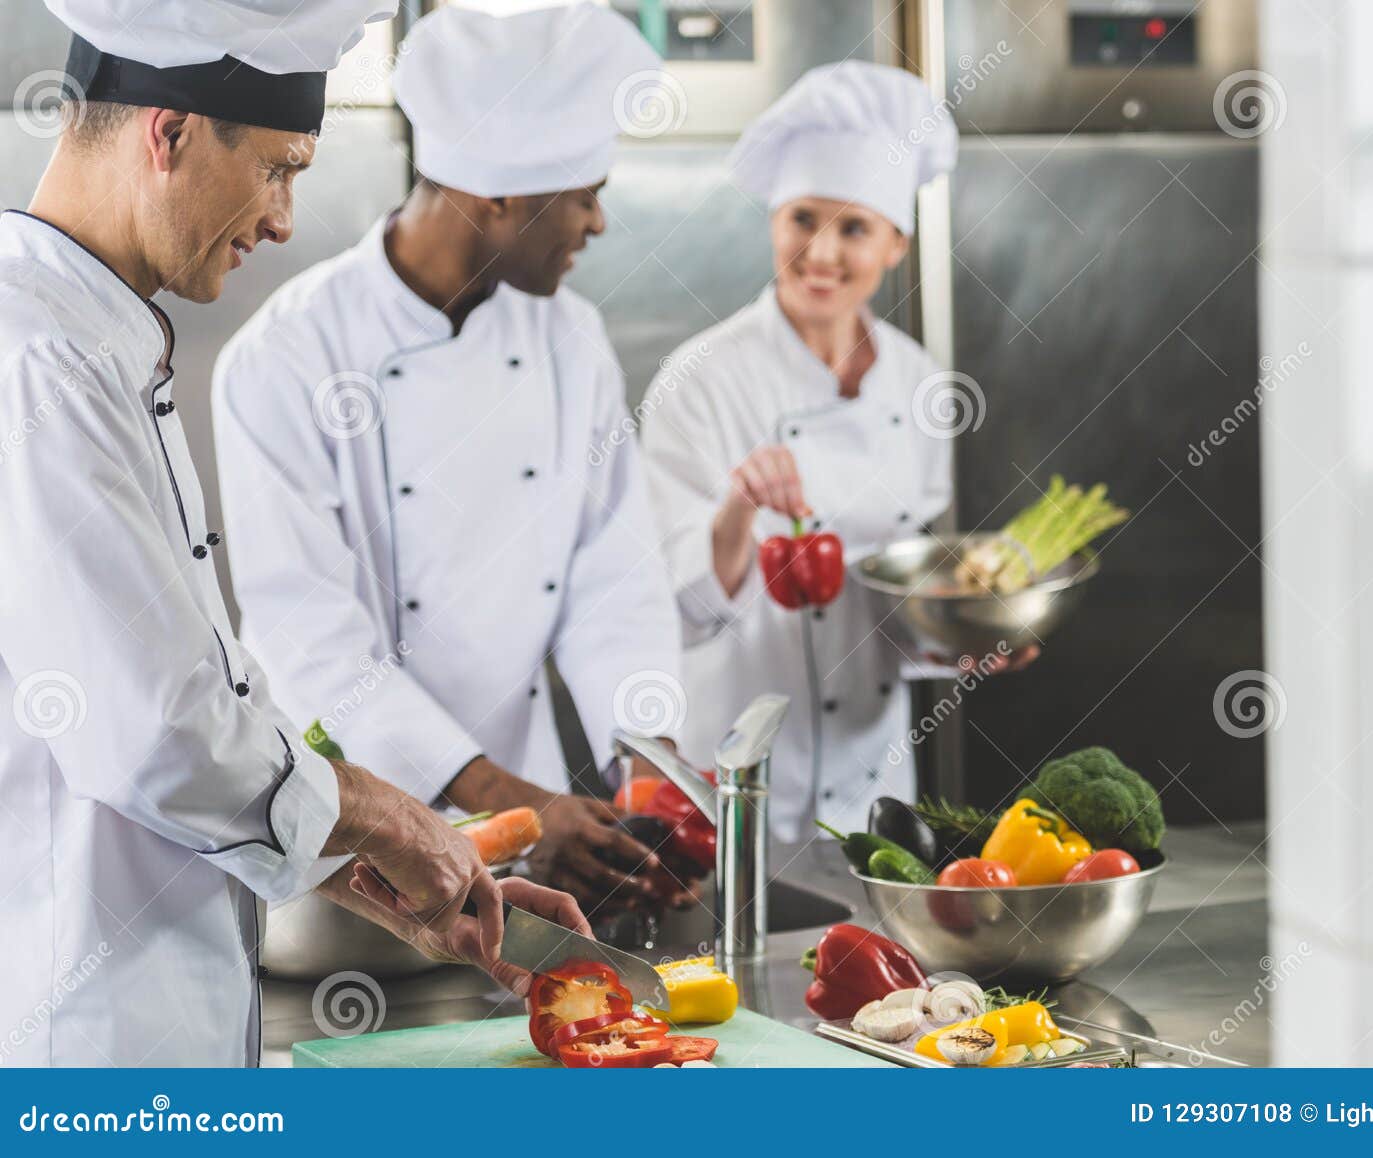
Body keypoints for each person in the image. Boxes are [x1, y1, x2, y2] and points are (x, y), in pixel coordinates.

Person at [0, 0, 588, 1068]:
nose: (281, 219)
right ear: (168, 132)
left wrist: (368, 879)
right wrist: (387, 815)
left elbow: (195, 717)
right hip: (80, 1049)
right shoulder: (35, 360)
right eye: (279, 168)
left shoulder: (98, 343)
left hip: (156, 1027)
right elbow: (160, 738)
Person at [212, 3, 686, 916]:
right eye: (583, 193)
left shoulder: (569, 340)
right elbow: (311, 637)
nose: (597, 222)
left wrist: (651, 766)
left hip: (544, 843)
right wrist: (510, 800)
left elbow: (613, 575)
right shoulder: (288, 357)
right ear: (498, 197)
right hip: (356, 844)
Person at [641, 62, 1035, 842]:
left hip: (874, 782)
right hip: (731, 777)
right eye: (802, 219)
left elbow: (902, 594)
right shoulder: (698, 378)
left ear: (896, 244)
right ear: (772, 221)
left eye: (853, 228)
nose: (821, 253)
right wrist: (736, 511)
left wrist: (964, 640)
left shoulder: (917, 382)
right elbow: (672, 607)